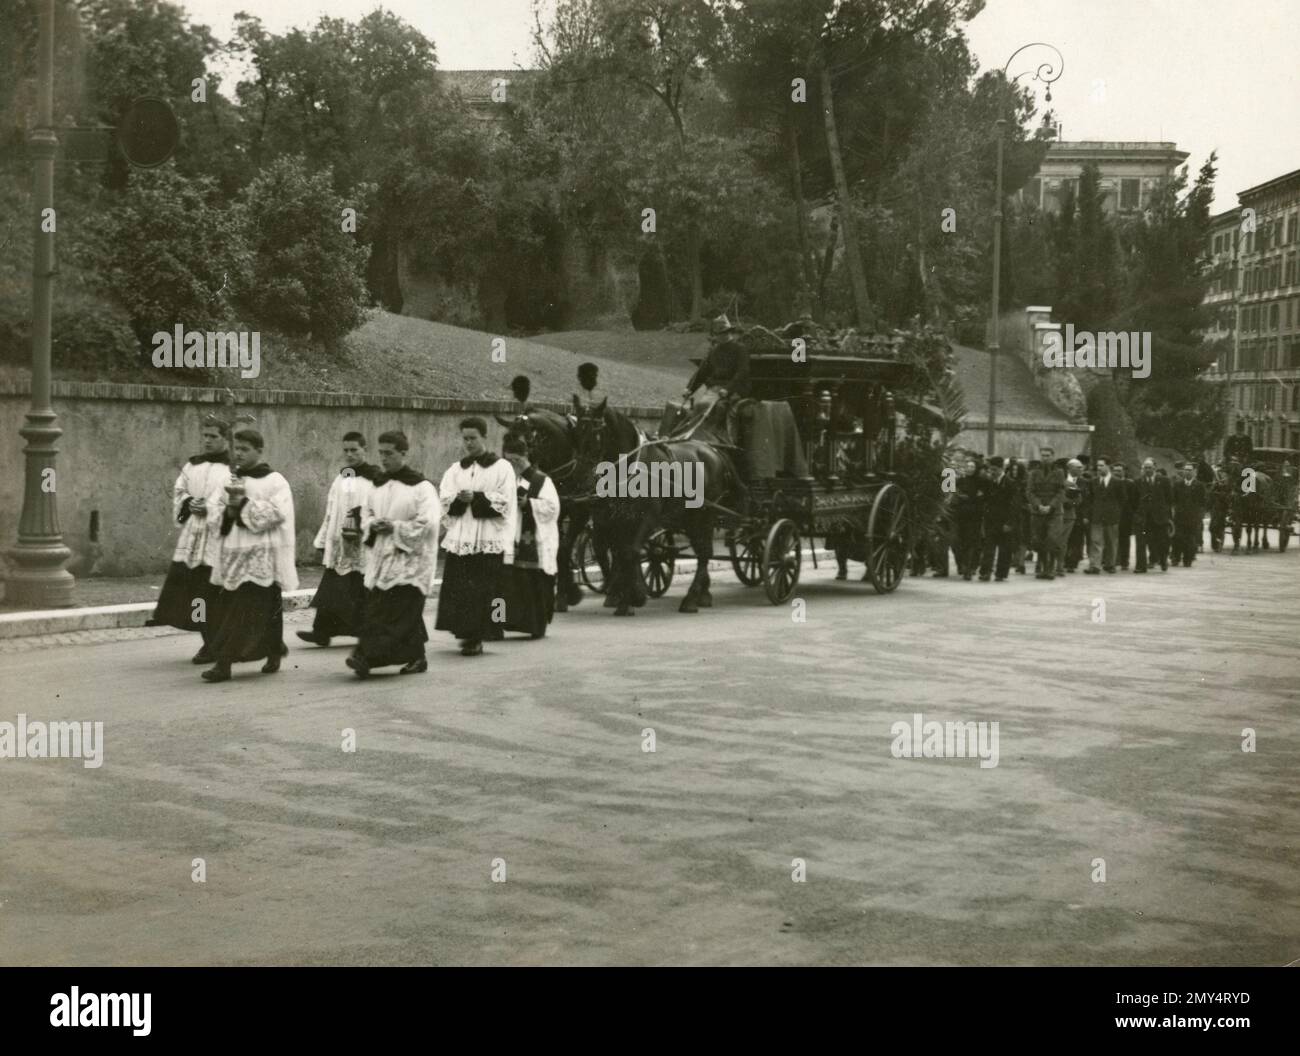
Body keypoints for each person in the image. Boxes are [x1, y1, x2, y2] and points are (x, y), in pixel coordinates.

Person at [202, 427, 297, 682]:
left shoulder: (274, 481)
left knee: (256, 607)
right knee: (235, 607)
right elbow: (213, 509)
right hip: (233, 552)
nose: (239, 454)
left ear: (259, 451)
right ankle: (272, 648)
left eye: (245, 450)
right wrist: (227, 513)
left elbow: (278, 513)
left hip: (261, 555)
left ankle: (225, 663)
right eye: (236, 449)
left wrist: (243, 506)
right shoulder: (230, 480)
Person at [347, 431, 439, 677]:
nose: (384, 458)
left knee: (393, 612)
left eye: (390, 453)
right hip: (383, 557)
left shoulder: (421, 487)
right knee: (394, 611)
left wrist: (395, 527)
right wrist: (372, 524)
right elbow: (365, 513)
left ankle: (366, 657)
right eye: (381, 453)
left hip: (410, 559)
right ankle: (417, 657)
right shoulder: (377, 484)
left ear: (404, 454)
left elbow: (428, 523)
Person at [148, 413, 232, 663]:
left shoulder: (232, 469)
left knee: (213, 591)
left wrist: (211, 509)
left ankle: (215, 643)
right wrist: (188, 503)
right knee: (195, 589)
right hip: (194, 536)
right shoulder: (192, 466)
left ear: (226, 439)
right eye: (204, 436)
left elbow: (234, 497)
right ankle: (209, 641)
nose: (207, 441)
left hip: (218, 537)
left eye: (213, 437)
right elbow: (179, 490)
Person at [436, 418, 517, 657]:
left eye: (473, 438)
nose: (468, 443)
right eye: (465, 438)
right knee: (461, 588)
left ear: (484, 437)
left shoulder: (502, 467)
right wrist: (457, 500)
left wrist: (478, 498)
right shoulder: (455, 469)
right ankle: (466, 632)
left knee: (483, 589)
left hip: (487, 536)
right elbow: (444, 497)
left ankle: (480, 634)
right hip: (462, 535)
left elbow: (506, 500)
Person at [299, 432, 380, 647]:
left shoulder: (375, 478)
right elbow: (334, 509)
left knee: (360, 588)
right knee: (332, 587)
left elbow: (375, 506)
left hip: (362, 541)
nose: (350, 454)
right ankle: (321, 632)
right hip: (341, 541)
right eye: (346, 450)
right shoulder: (345, 476)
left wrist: (359, 520)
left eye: (354, 450)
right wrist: (324, 540)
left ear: (365, 449)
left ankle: (365, 630)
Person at [498, 434, 561, 638]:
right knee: (503, 584)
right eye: (509, 461)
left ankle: (535, 626)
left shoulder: (541, 480)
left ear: (526, 456)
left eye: (517, 460)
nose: (514, 464)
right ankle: (498, 624)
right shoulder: (503, 480)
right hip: (508, 539)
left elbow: (552, 508)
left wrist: (529, 504)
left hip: (532, 538)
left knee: (533, 585)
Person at [1026, 447, 1065, 579]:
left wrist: (1051, 506)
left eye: (1048, 456)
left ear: (1053, 456)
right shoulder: (1034, 473)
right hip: (1038, 512)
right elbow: (1029, 491)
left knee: (1052, 539)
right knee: (1039, 540)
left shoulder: (1059, 472)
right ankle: (1043, 567)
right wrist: (1038, 505)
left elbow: (1061, 492)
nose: (1045, 458)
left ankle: (1050, 568)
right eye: (1043, 456)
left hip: (1054, 513)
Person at [977, 456, 1016, 582]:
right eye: (990, 470)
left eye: (994, 469)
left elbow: (1014, 505)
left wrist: (1009, 522)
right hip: (991, 520)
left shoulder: (1010, 483)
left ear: (1001, 468)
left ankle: (1001, 573)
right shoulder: (989, 482)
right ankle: (985, 572)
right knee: (988, 547)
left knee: (1005, 549)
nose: (992, 472)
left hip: (1005, 521)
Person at [1132, 458, 1173, 573]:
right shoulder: (1138, 482)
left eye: (1150, 467)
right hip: (1143, 518)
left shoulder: (1164, 481)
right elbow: (1134, 500)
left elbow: (1169, 498)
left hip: (1159, 518)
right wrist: (1137, 514)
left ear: (1154, 468)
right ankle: (1140, 566)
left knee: (1162, 542)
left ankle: (1163, 560)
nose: (1147, 470)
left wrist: (1165, 512)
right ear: (1143, 469)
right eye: (1145, 467)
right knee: (1140, 543)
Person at [1086, 457, 1122, 574]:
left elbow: (1122, 499)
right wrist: (1089, 514)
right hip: (1096, 516)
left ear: (1108, 466)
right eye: (1098, 465)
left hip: (1111, 517)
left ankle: (1110, 564)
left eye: (1101, 465)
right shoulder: (1093, 482)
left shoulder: (1117, 482)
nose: (1099, 468)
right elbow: (1090, 500)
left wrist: (1116, 513)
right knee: (1095, 541)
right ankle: (1095, 565)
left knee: (1111, 541)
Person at [953, 457, 985, 580]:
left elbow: (982, 496)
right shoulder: (960, 481)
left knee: (972, 542)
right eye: (968, 467)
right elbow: (953, 493)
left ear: (976, 469)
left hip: (975, 516)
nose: (970, 469)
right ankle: (963, 565)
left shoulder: (980, 481)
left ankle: (970, 567)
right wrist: (961, 496)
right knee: (961, 541)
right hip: (961, 516)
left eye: (972, 467)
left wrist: (969, 498)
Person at [1169, 461, 1206, 568]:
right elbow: (1173, 500)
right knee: (1177, 537)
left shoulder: (1199, 486)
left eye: (1190, 470)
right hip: (1179, 516)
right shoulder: (1177, 485)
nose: (1187, 472)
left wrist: (1199, 515)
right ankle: (1175, 557)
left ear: (1194, 472)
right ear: (1183, 471)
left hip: (1193, 517)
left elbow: (1202, 502)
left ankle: (1187, 559)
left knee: (1190, 538)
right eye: (1186, 470)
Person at [1057, 458, 1087, 573]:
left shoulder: (1083, 481)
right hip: (1061, 514)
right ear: (1069, 469)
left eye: (1081, 467)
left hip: (1076, 514)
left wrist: (1072, 504)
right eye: (1078, 467)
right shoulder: (1062, 481)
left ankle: (1071, 563)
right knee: (1062, 540)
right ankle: (1062, 562)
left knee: (1076, 540)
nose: (1081, 469)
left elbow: (1083, 500)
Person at [1113, 462, 1134, 569]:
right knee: (1112, 538)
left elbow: (1133, 501)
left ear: (1124, 472)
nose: (1117, 473)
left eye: (1119, 471)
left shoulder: (1130, 484)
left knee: (1124, 539)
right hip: (1112, 515)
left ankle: (1124, 561)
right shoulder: (1110, 483)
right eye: (1115, 470)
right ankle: (1113, 560)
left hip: (1125, 516)